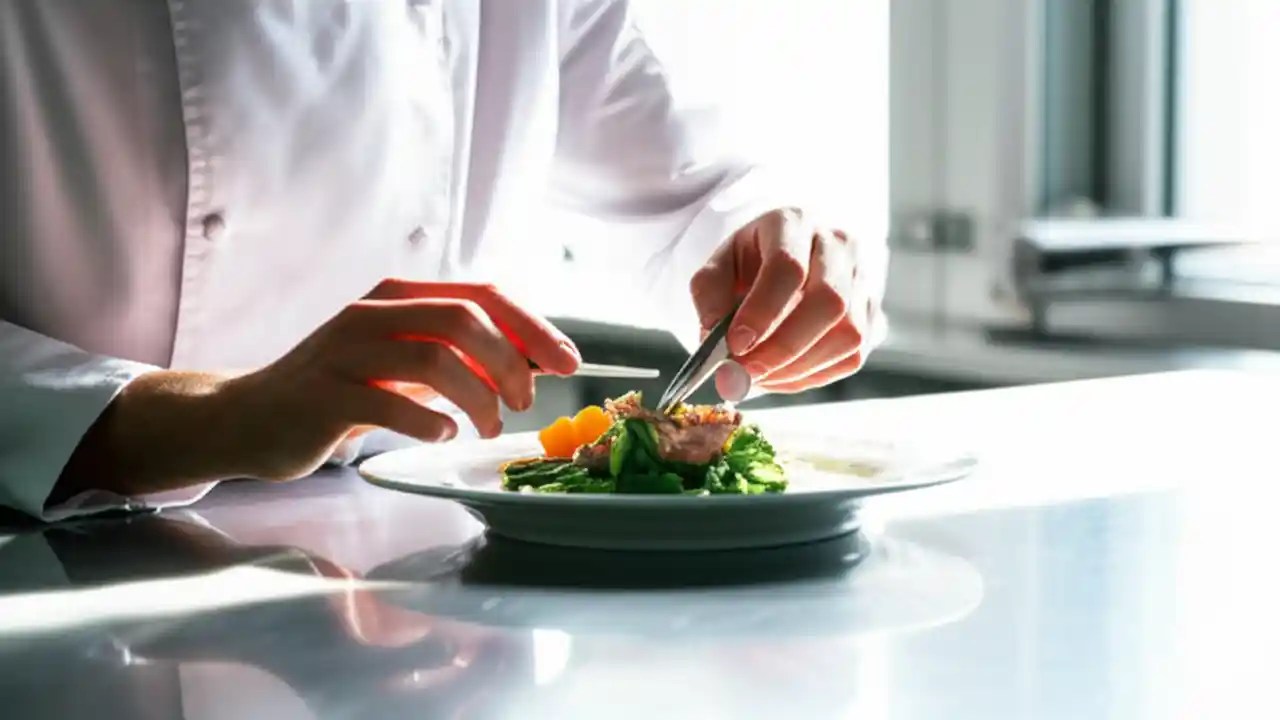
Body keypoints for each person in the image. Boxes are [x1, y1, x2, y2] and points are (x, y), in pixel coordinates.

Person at [0, 0, 887, 521]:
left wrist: (770, 252)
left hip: (419, 548)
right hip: (55, 550)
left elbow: (687, 190)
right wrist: (202, 417)